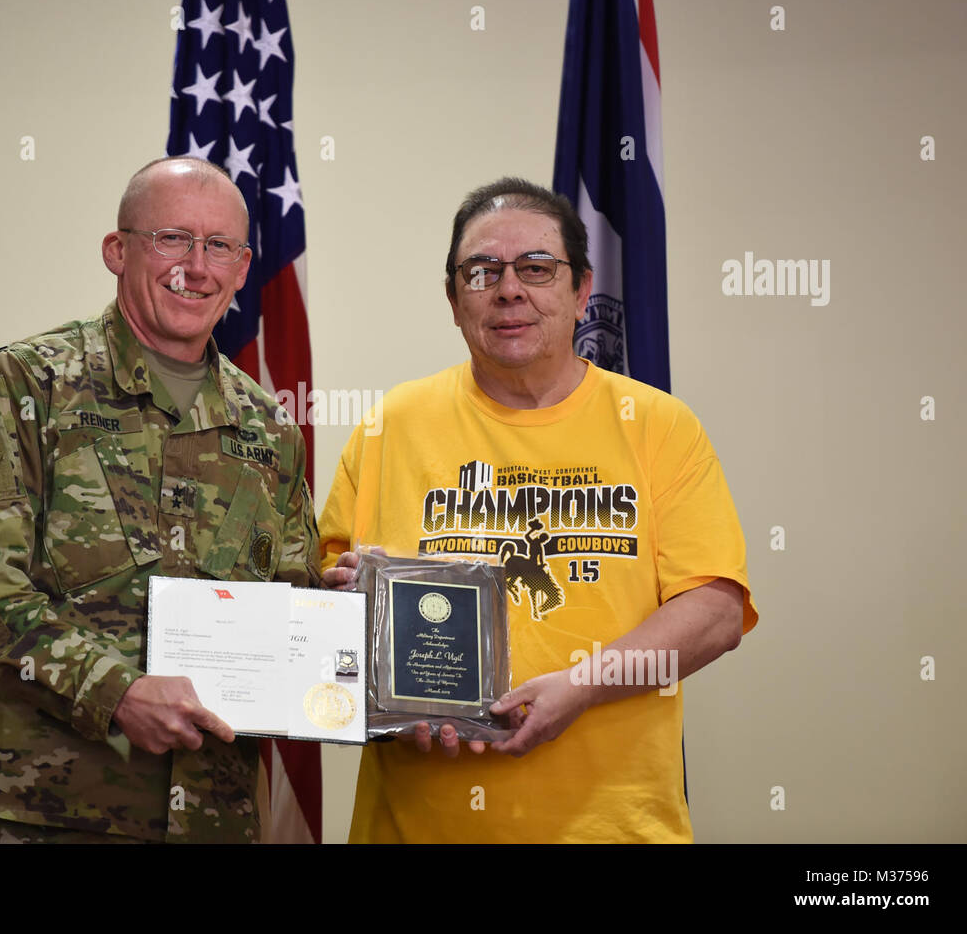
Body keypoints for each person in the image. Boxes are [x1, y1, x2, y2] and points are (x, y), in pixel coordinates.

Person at [319, 177, 759, 843]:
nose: (509, 289)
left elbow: (717, 612)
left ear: (582, 289)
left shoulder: (660, 426)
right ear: (452, 298)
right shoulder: (390, 426)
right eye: (482, 271)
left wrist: (583, 684)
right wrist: (347, 613)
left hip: (613, 828)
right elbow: (325, 619)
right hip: (414, 824)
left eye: (536, 268)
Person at [0, 156, 320, 844]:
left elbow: (288, 605)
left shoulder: (270, 427)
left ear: (242, 265)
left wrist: (350, 614)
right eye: (172, 237)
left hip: (213, 817)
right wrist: (117, 692)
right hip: (40, 810)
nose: (196, 266)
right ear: (118, 249)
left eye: (218, 245)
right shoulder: (24, 383)